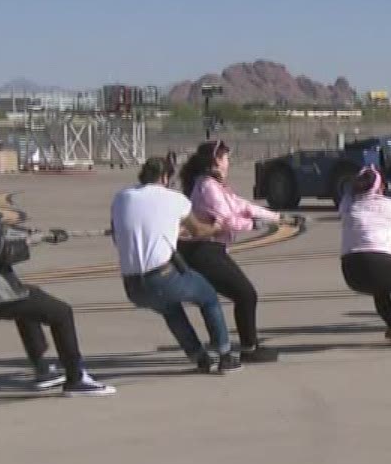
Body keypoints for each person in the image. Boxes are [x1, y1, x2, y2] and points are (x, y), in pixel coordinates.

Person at [0, 156, 113, 395]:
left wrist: (17, 233)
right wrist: (35, 240)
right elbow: (0, 253)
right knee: (61, 312)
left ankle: (44, 370)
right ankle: (76, 378)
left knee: (26, 301)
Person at [111, 157, 240, 373]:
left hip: (132, 286)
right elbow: (198, 231)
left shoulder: (121, 197)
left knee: (170, 309)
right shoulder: (176, 199)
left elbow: (120, 236)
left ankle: (200, 358)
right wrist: (218, 227)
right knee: (208, 297)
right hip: (163, 276)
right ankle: (225, 354)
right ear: (164, 177)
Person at [178, 140, 285, 363]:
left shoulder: (214, 185)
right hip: (202, 250)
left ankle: (232, 346)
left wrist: (276, 217)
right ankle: (247, 349)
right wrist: (254, 225)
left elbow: (242, 205)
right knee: (245, 294)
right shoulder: (207, 186)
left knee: (230, 297)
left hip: (209, 250)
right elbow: (228, 220)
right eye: (226, 158)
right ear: (215, 162)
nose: (229, 163)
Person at [339, 167, 391, 344]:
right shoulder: (389, 204)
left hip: (351, 269)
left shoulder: (348, 203)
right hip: (379, 261)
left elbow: (346, 196)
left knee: (381, 290)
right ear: (379, 186)